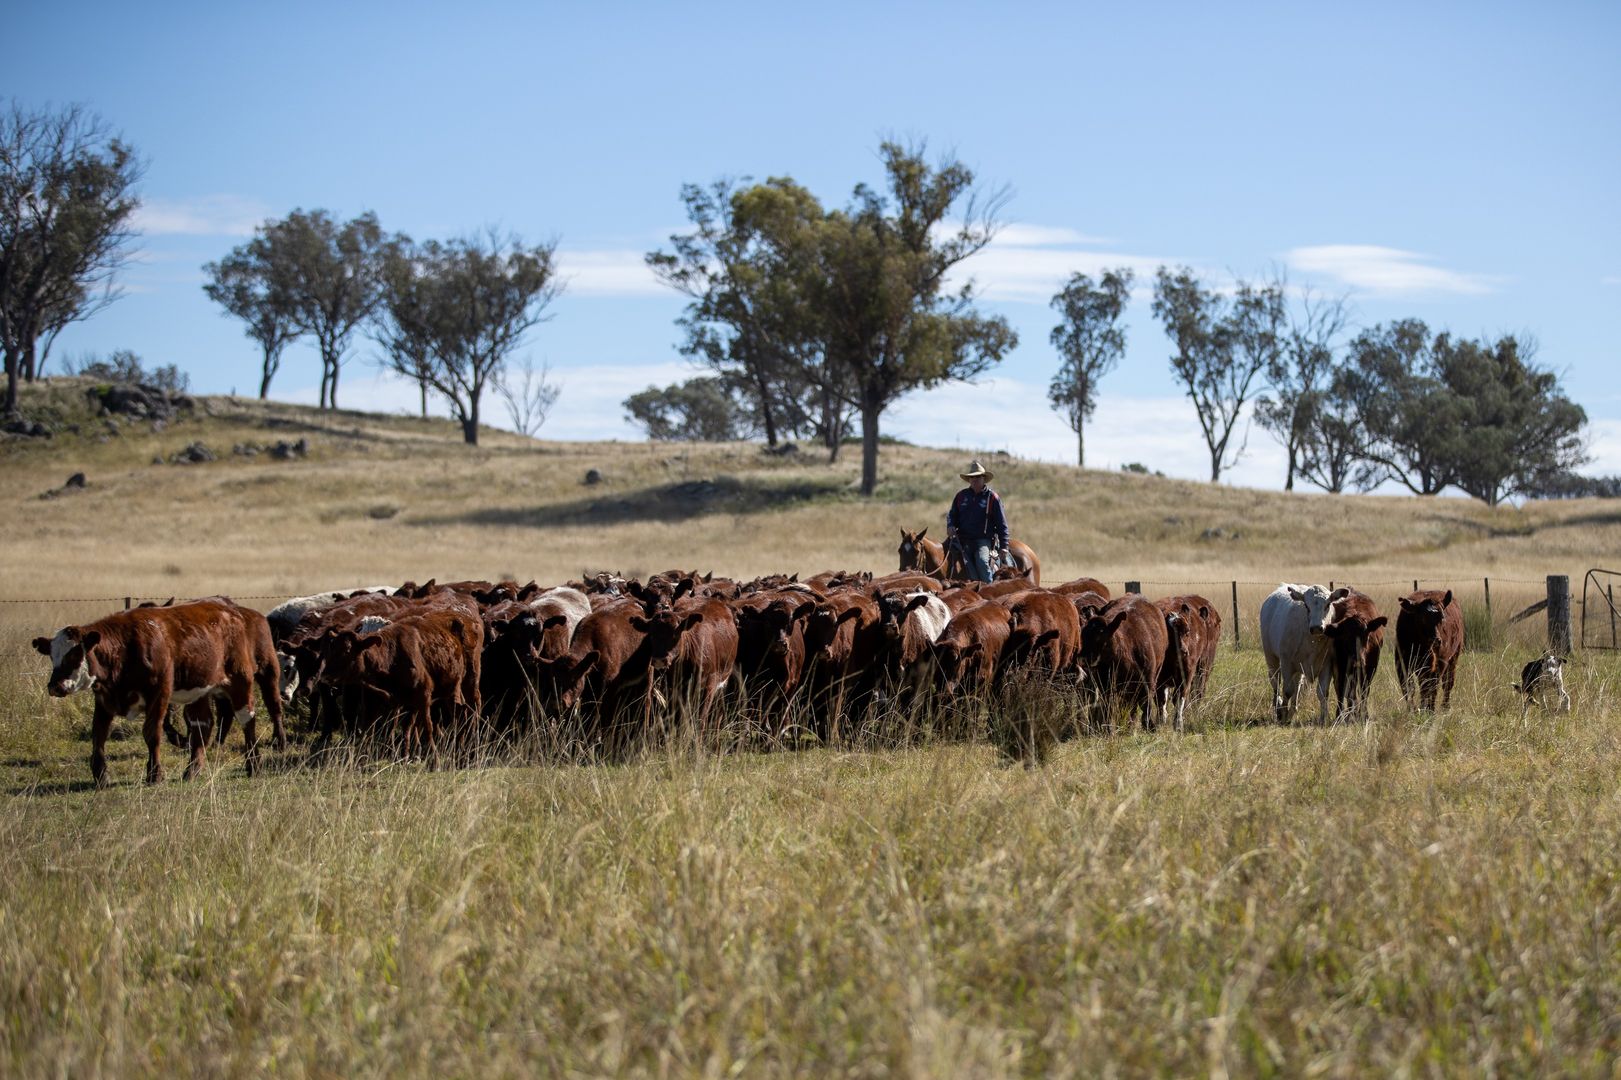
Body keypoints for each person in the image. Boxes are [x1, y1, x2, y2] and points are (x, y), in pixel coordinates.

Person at [946, 460, 1009, 583]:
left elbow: (1002, 524)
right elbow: (951, 515)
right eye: (972, 477)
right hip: (962, 539)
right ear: (969, 480)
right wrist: (950, 526)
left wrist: (1004, 546)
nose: (974, 480)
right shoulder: (961, 496)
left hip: (983, 540)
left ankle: (988, 589)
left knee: (981, 561)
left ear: (984, 479)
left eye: (978, 477)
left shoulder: (992, 498)